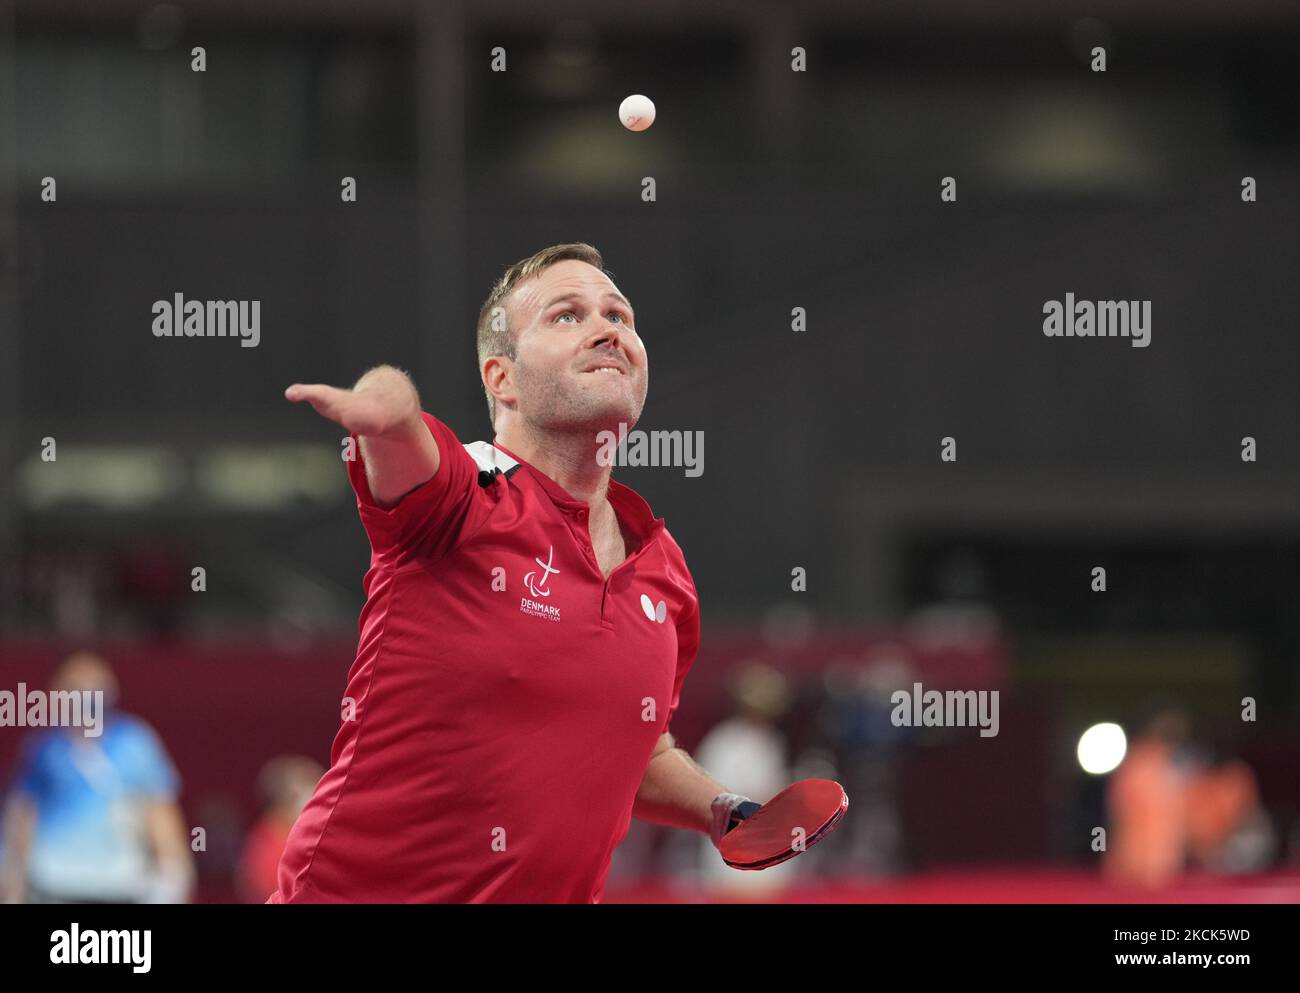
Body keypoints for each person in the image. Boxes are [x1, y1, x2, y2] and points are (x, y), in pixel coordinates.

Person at [276, 243, 759, 902]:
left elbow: (635, 747)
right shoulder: (466, 494)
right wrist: (387, 412)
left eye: (620, 314)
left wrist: (721, 809)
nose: (609, 328)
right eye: (567, 315)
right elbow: (405, 443)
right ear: (502, 378)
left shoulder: (664, 570)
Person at [0, 651, 194, 904]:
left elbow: (159, 811)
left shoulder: (134, 743)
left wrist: (173, 872)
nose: (86, 693)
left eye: (94, 683)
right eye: (76, 684)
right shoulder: (43, 748)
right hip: (53, 886)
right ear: (56, 690)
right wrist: (11, 875)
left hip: (119, 887)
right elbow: (23, 814)